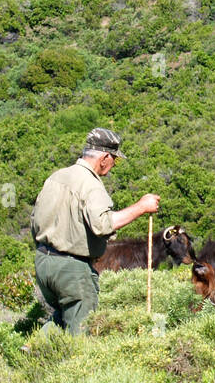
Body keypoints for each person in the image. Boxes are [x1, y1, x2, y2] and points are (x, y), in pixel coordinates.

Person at [30, 127, 159, 334]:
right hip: (71, 268)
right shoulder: (90, 184)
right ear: (105, 157)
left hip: (43, 263)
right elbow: (103, 225)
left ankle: (35, 348)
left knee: (63, 317)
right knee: (82, 327)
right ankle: (73, 364)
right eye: (114, 160)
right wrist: (142, 207)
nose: (113, 165)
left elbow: (35, 221)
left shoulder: (56, 177)